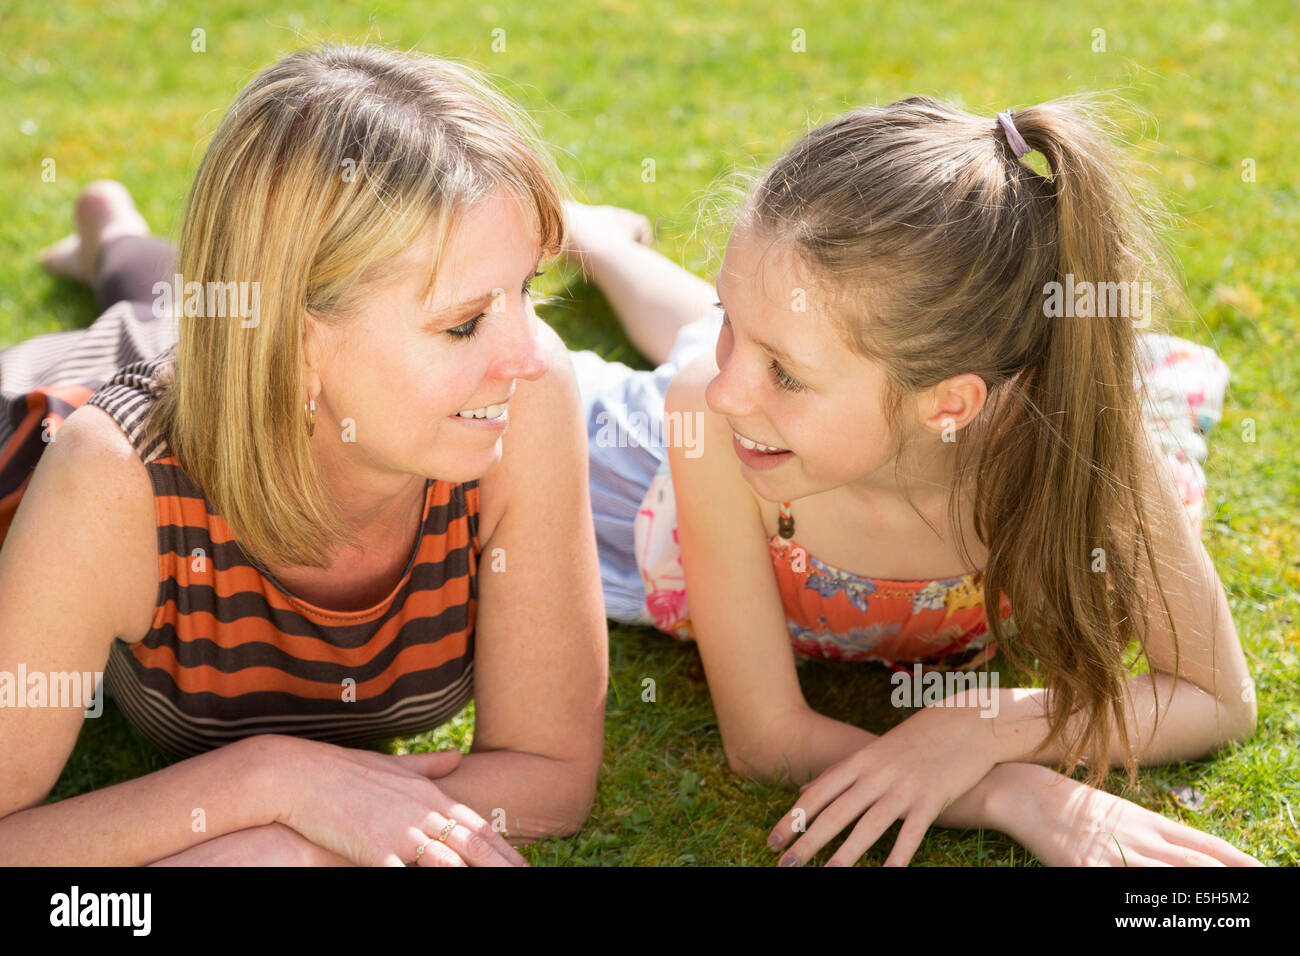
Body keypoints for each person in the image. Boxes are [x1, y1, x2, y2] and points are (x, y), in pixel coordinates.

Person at [564, 96, 1260, 866]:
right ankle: (602, 244)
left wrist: (983, 725)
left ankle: (639, 263)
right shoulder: (711, 418)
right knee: (691, 361)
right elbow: (765, 740)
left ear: (950, 404)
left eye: (785, 374)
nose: (732, 389)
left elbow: (1218, 697)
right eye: (739, 316)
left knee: (721, 346)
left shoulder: (1086, 438)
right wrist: (1014, 790)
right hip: (696, 471)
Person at [0, 43, 607, 867]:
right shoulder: (110, 484)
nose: (530, 354)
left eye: (526, 288)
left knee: (174, 296)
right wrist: (269, 780)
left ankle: (115, 233)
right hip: (43, 427)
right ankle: (112, 237)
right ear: (298, 346)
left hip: (242, 352)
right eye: (464, 322)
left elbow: (551, 773)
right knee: (162, 309)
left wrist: (322, 832)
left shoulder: (521, 400)